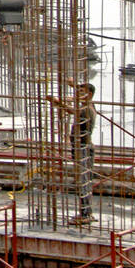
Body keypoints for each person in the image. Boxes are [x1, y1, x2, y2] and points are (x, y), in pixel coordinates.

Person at [49, 82, 98, 223]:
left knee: (84, 182)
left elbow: (73, 112)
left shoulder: (87, 109)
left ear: (88, 94)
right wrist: (72, 84)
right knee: (82, 181)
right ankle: (86, 213)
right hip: (79, 148)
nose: (77, 93)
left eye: (81, 91)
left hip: (84, 149)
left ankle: (85, 215)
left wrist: (58, 103)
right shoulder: (88, 103)